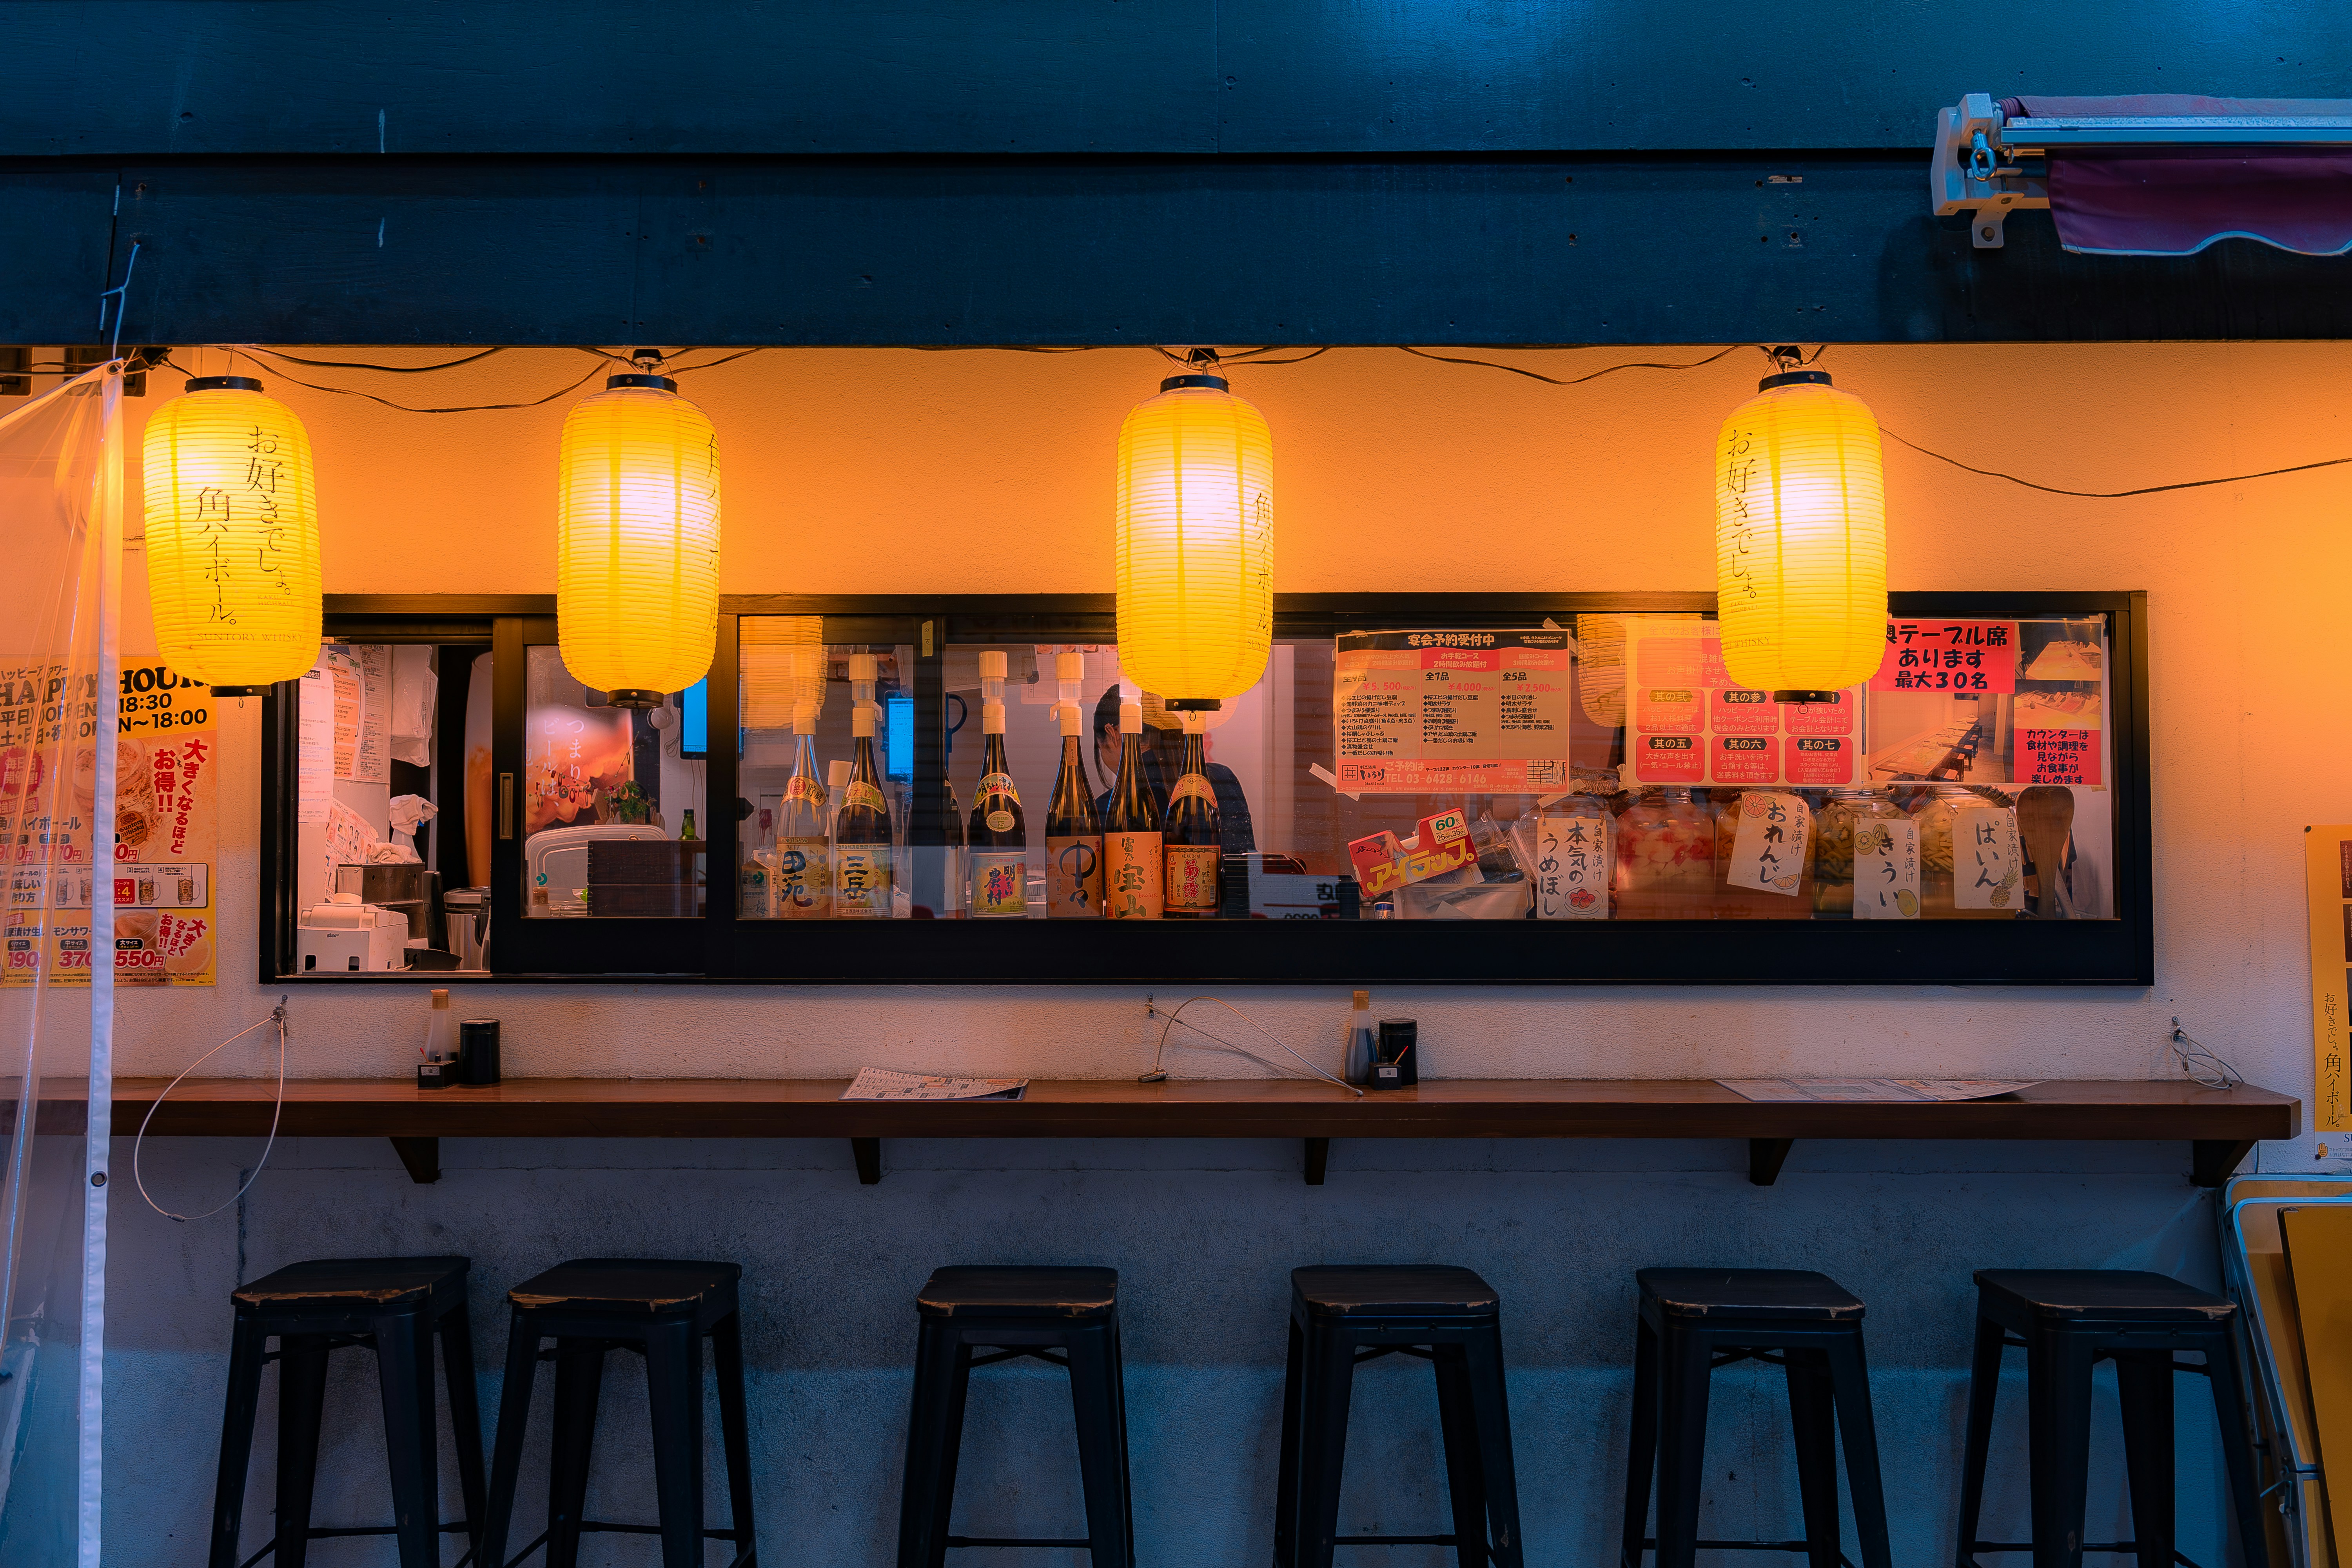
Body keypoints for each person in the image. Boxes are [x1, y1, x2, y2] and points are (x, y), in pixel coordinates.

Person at [1092, 687, 1256, 855]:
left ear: (1115, 734)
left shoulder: (1109, 807)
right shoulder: (1223, 778)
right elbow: (1245, 863)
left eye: (1100, 748)